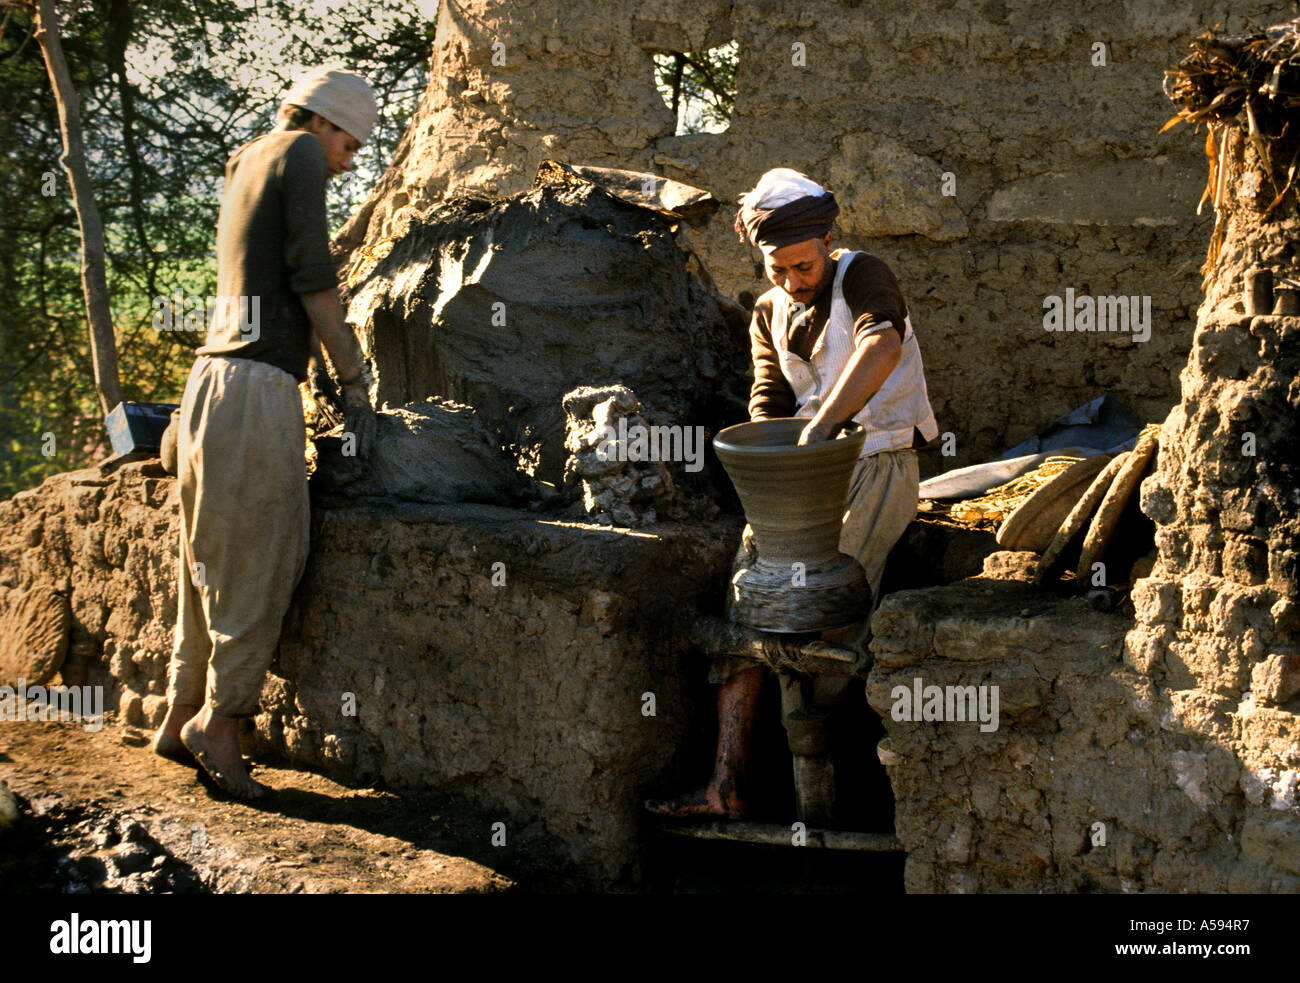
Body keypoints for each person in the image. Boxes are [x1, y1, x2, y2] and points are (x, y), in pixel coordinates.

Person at [647, 167, 938, 819]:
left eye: (801, 267)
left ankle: (830, 796)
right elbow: (768, 402)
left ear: (827, 241)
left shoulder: (863, 275)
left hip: (873, 464)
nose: (789, 281)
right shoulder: (770, 310)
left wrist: (824, 424)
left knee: (827, 610)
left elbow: (882, 344)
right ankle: (728, 782)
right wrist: (766, 459)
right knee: (746, 608)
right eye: (775, 267)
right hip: (799, 477)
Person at [151, 67, 380, 800]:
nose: (348, 160)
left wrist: (309, 367)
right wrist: (351, 371)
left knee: (203, 558)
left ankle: (178, 709)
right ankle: (221, 725)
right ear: (324, 121)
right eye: (351, 143)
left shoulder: (250, 155)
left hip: (208, 381)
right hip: (253, 390)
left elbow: (264, 280)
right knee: (264, 554)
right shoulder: (302, 153)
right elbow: (310, 273)